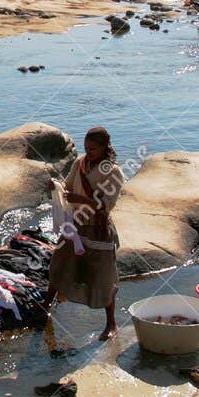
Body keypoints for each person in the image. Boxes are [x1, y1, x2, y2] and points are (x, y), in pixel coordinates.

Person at [48, 127, 124, 340]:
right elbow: (68, 185)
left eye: (93, 149)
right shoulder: (80, 163)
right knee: (59, 262)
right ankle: (45, 306)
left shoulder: (113, 172)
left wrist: (81, 200)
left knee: (103, 275)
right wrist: (56, 186)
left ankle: (111, 323)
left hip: (98, 228)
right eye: (86, 148)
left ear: (104, 147)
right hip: (76, 225)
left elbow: (106, 205)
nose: (88, 152)